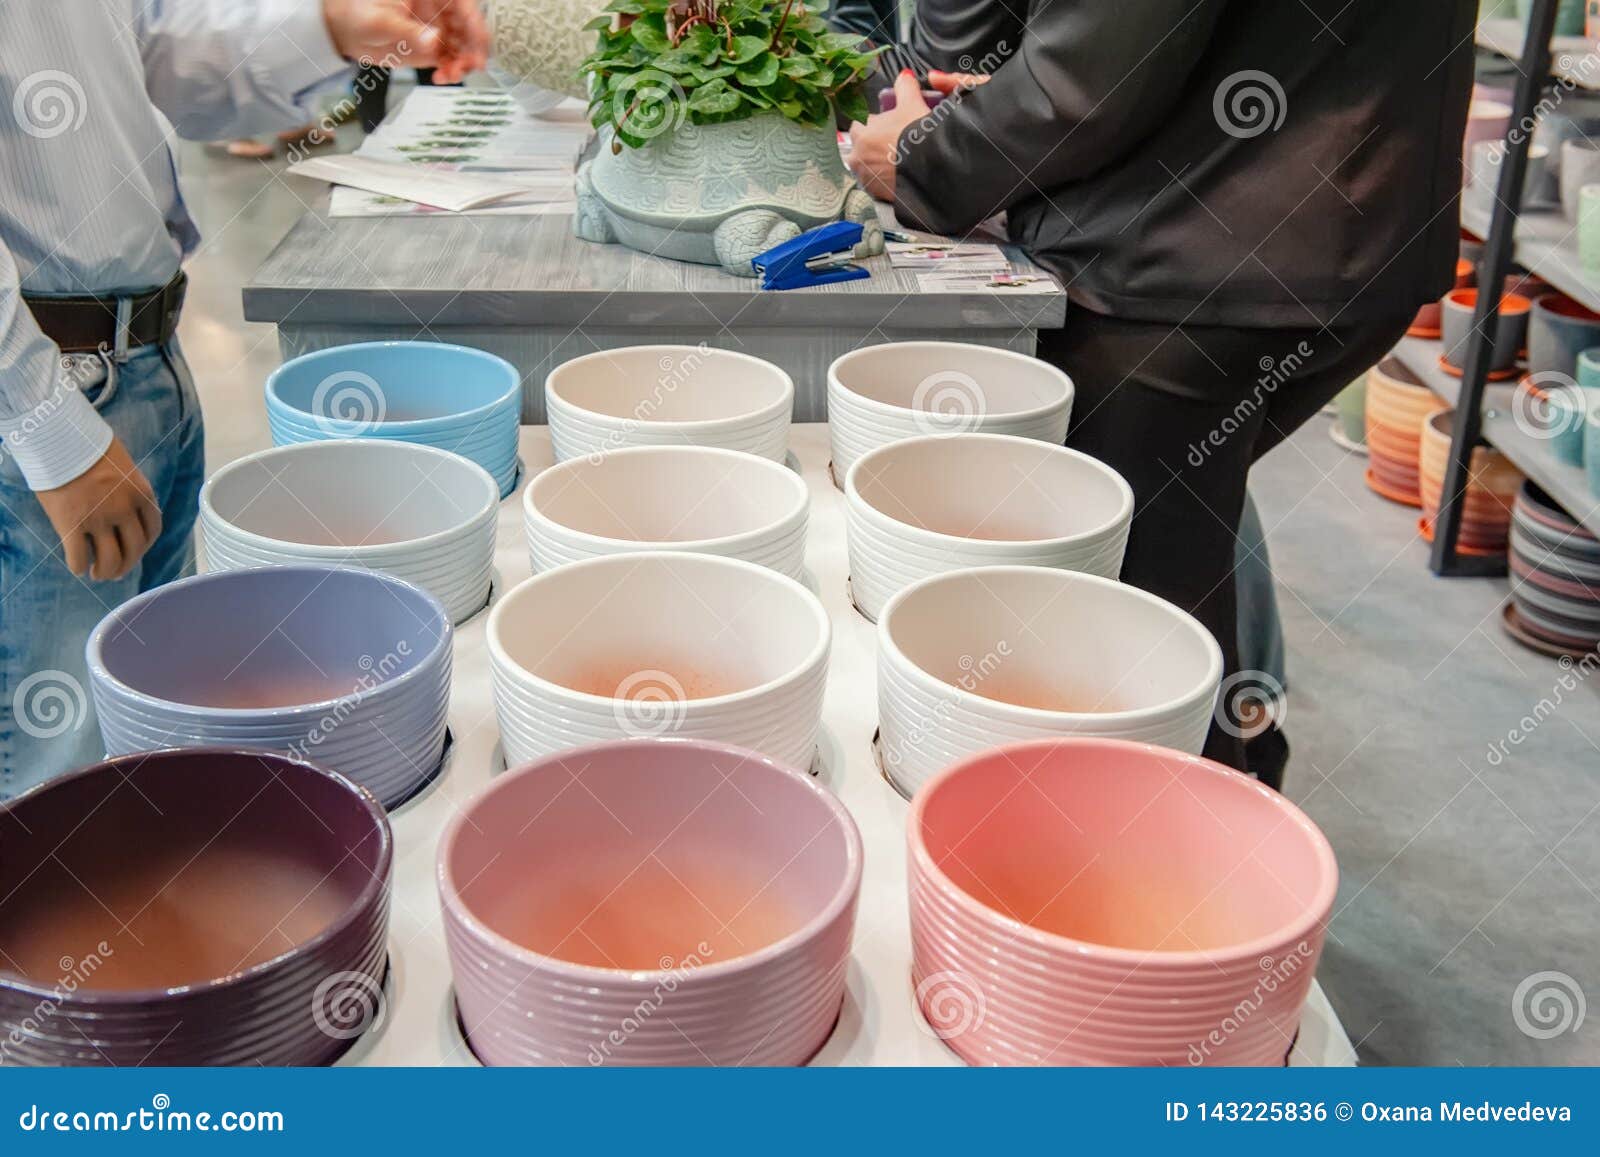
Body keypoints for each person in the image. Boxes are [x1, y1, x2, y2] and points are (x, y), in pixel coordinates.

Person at [846, 0, 1475, 779]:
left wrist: (921, 161)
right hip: (1340, 221)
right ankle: (1236, 780)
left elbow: (1095, 74)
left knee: (1142, 626)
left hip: (1197, 253)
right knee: (1186, 545)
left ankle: (1198, 847)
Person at [0, 0, 489, 800]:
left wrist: (332, 30)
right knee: (62, 792)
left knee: (145, 751)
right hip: (44, 388)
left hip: (144, 362)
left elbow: (154, 55)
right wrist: (49, 430)